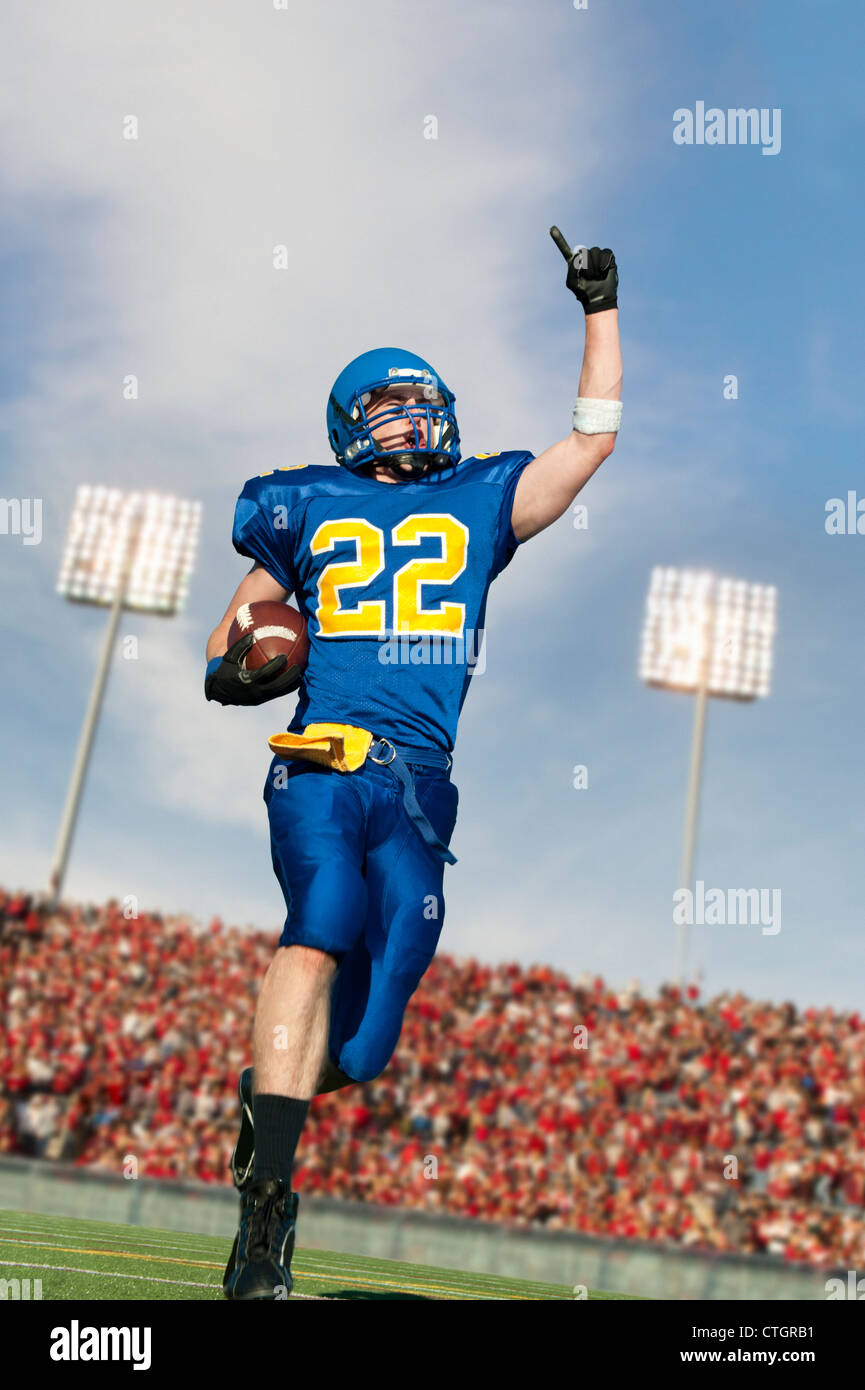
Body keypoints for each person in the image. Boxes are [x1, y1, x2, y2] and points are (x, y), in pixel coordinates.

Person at [205, 235, 622, 1299]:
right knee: (320, 921)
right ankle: (266, 1220)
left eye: (415, 401)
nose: (406, 419)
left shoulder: (483, 499)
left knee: (374, 1035)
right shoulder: (302, 504)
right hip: (325, 761)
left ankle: (270, 1105)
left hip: (423, 787)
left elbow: (588, 444)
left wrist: (599, 312)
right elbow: (227, 645)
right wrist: (247, 662)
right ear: (351, 426)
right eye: (384, 406)